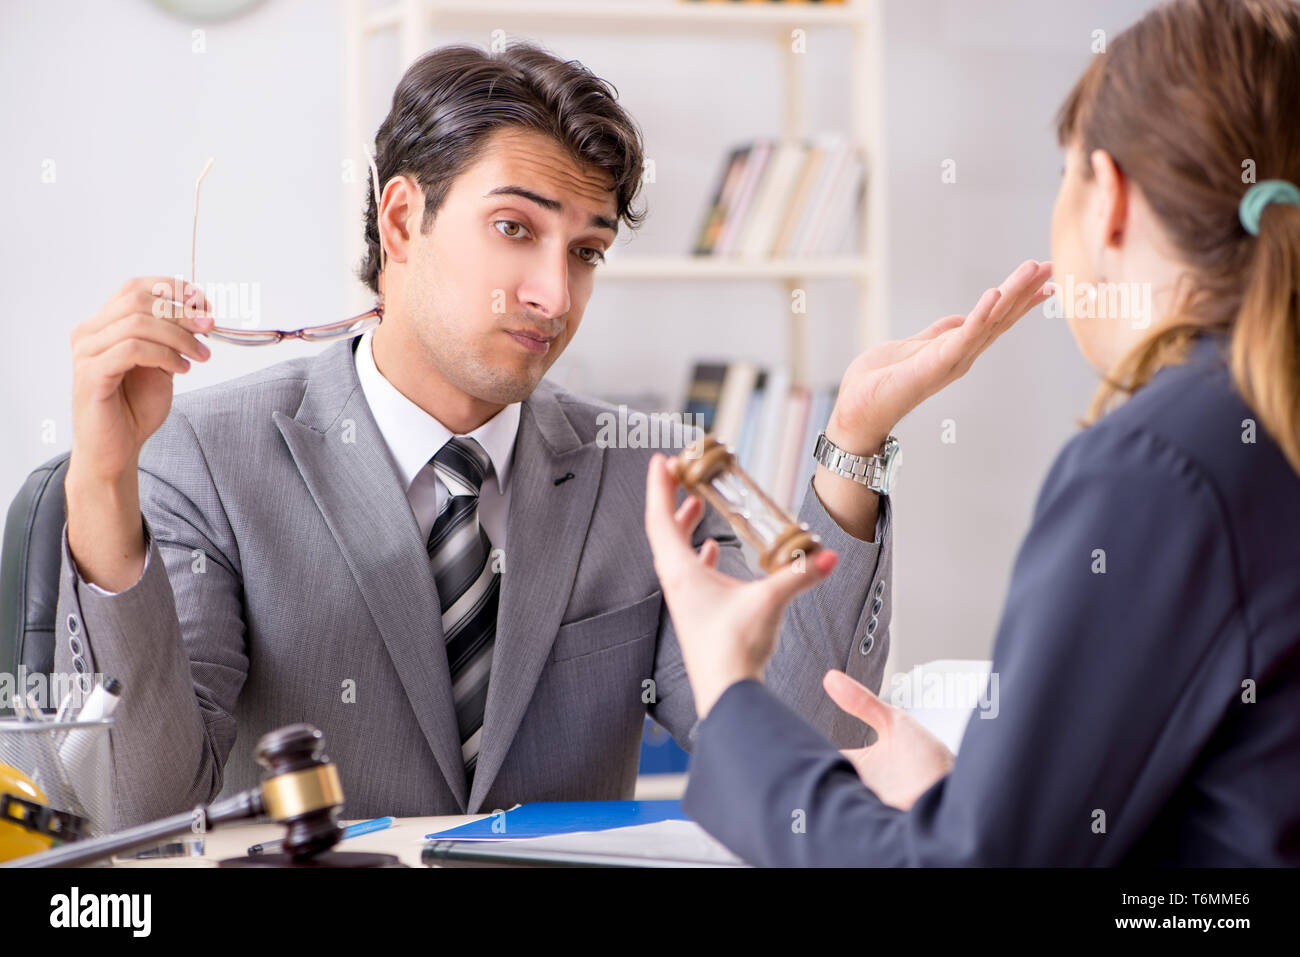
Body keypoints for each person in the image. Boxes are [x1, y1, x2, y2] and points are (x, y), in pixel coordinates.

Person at [54, 41, 1051, 826]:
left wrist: (853, 442)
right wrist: (104, 484)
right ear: (402, 222)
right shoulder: (206, 459)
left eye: (587, 252)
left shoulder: (637, 466)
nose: (553, 294)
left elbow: (803, 742)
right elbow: (144, 806)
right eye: (516, 229)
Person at [647, 0, 1300, 866]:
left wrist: (729, 686)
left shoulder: (1158, 462)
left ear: (1108, 197)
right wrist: (972, 804)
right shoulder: (1245, 430)